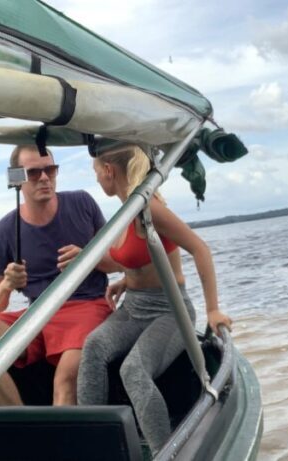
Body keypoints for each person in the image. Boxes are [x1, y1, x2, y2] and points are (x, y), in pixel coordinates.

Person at [78, 144, 233, 453]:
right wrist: (126, 279)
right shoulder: (123, 209)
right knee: (93, 348)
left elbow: (200, 249)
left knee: (133, 371)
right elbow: (142, 256)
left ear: (109, 170)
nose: (96, 180)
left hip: (168, 309)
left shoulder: (150, 207)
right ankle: (92, 446)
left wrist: (213, 309)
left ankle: (166, 452)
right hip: (133, 306)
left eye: (96, 172)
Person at [0, 145, 120, 406]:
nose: (44, 178)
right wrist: (7, 284)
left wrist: (89, 257)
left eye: (50, 170)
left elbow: (118, 262)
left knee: (66, 378)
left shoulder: (82, 203)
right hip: (37, 316)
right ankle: (22, 429)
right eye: (33, 173)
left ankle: (63, 444)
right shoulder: (3, 231)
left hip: (88, 307)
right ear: (16, 178)